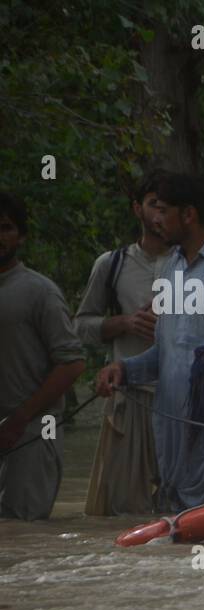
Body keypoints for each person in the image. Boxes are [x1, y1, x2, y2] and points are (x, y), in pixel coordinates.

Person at [95, 173, 204, 511]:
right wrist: (123, 369)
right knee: (179, 528)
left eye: (164, 211)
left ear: (188, 215)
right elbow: (168, 351)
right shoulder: (172, 267)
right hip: (172, 425)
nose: (156, 220)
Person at [74, 169, 170, 515]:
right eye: (154, 206)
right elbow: (81, 326)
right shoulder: (111, 264)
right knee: (122, 511)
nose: (161, 216)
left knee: (181, 509)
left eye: (168, 208)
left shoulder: (195, 266)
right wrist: (124, 323)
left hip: (182, 399)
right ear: (137, 209)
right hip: (129, 399)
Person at [0, 192, 88, 519]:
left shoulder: (39, 291)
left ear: (21, 235)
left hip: (33, 432)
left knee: (22, 528)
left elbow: (72, 363)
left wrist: (19, 420)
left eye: (6, 228)